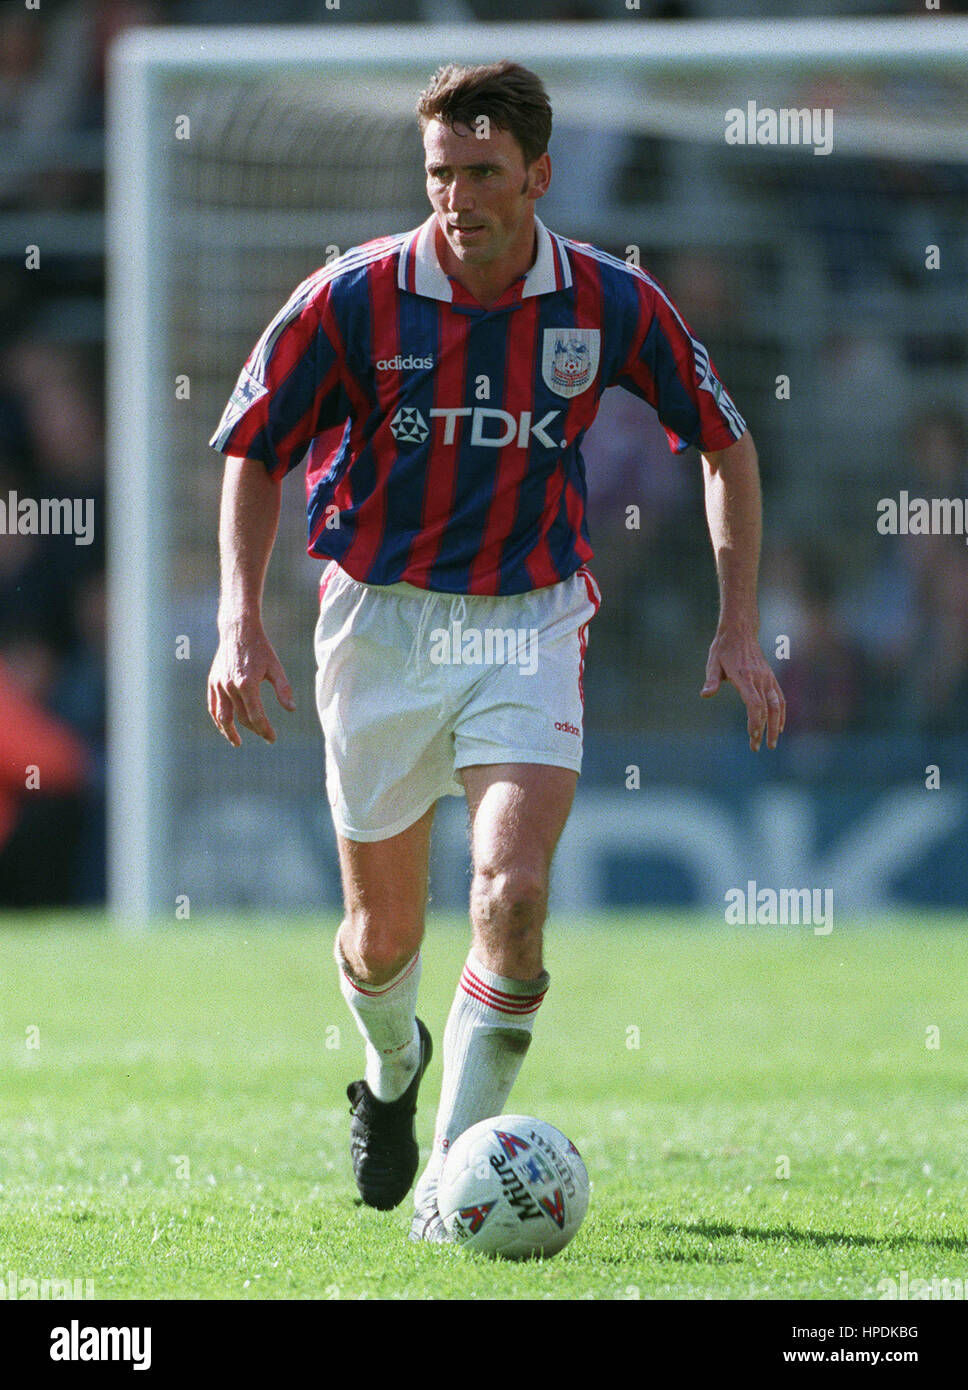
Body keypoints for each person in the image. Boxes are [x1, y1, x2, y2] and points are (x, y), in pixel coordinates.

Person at [206, 60, 785, 1243]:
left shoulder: (608, 300)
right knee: (384, 941)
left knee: (511, 897)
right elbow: (252, 449)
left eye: (480, 173)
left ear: (537, 174)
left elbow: (723, 443)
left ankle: (445, 1198)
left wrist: (737, 622)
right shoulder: (353, 295)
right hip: (376, 620)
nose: (456, 196)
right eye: (438, 173)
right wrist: (237, 620)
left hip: (528, 616)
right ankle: (389, 1070)